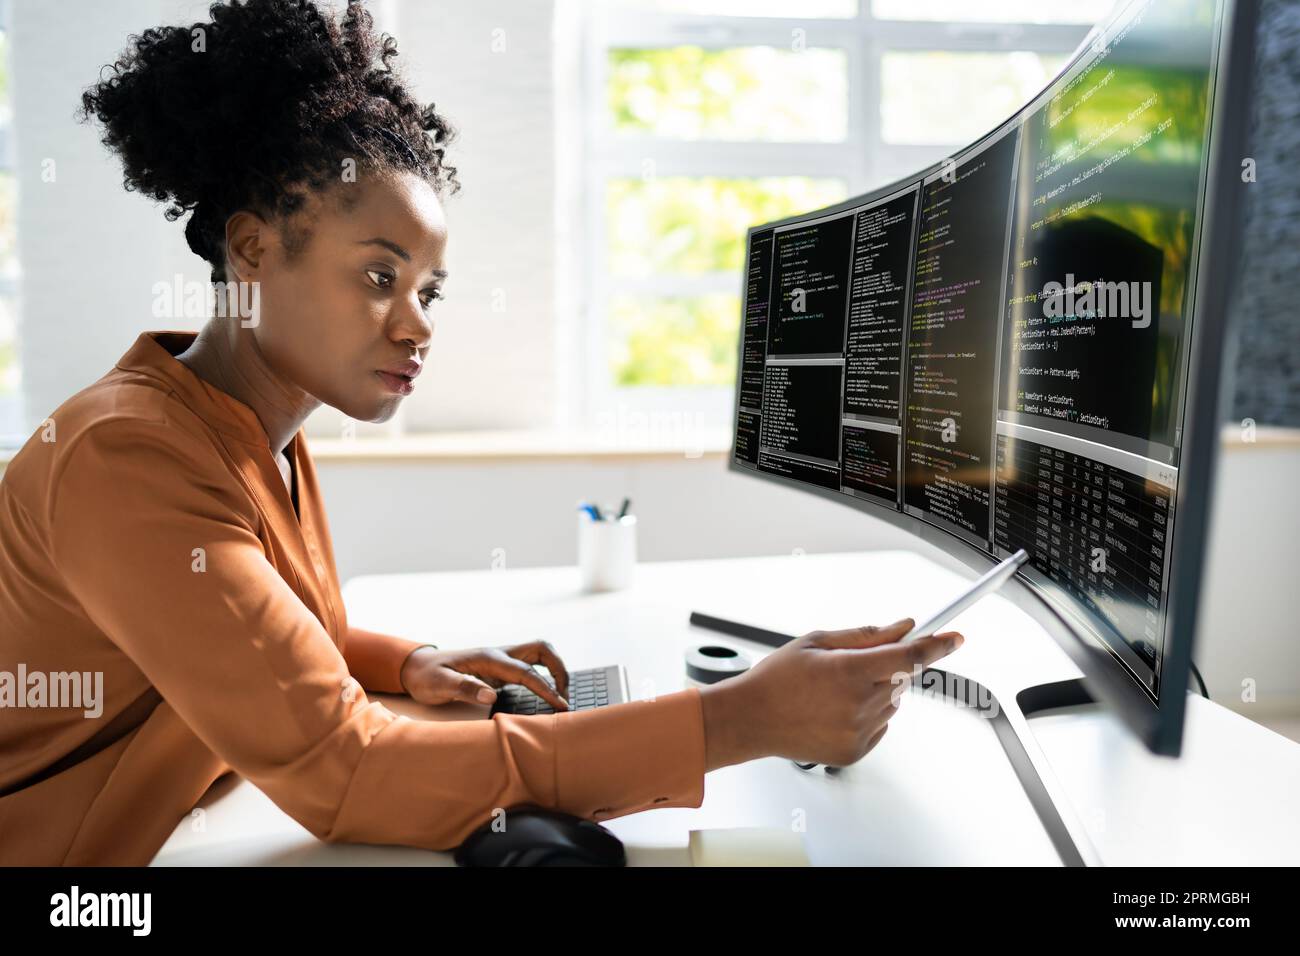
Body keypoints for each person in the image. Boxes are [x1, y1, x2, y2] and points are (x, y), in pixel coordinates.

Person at [0, 0, 963, 865]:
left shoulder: (250, 427)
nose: (419, 324)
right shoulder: (126, 457)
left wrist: (404, 662)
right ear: (252, 249)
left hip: (199, 822)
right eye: (380, 277)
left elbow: (268, 638)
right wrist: (739, 720)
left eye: (429, 291)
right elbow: (345, 774)